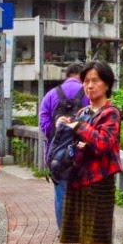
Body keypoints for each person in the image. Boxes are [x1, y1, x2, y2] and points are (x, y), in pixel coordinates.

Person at [59, 59, 122, 244]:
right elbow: (78, 143)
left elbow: (103, 143)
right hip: (80, 181)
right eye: (86, 81)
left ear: (107, 84)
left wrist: (77, 127)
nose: (90, 86)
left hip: (99, 182)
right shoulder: (84, 112)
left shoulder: (111, 113)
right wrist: (68, 126)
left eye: (95, 80)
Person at [39, 63, 87, 226]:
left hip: (57, 156)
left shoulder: (50, 95)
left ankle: (63, 230)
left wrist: (58, 130)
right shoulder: (88, 93)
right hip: (82, 153)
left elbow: (44, 126)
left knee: (61, 194)